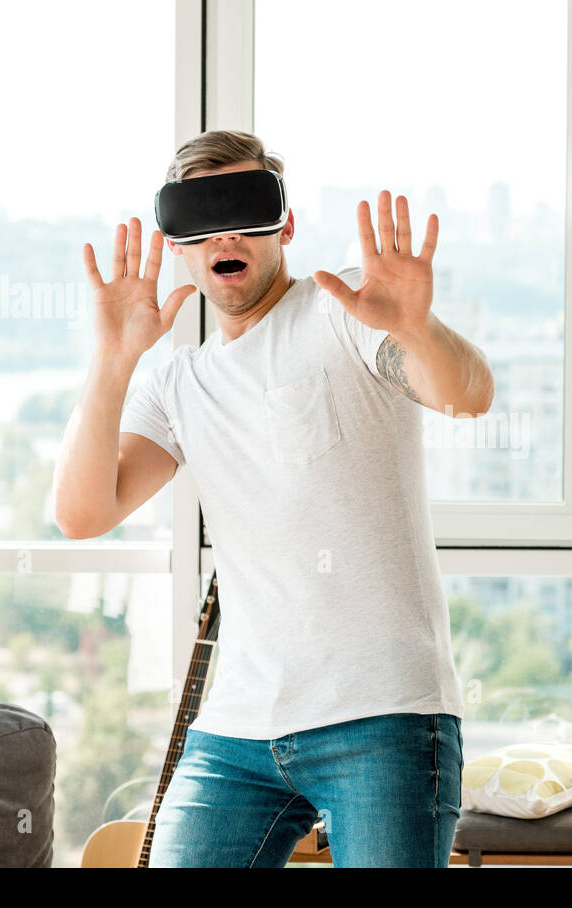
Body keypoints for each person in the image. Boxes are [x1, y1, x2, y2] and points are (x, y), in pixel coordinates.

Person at [52, 130, 494, 867]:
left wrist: (418, 327)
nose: (226, 233)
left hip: (382, 716)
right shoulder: (177, 384)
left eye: (246, 210)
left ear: (284, 226)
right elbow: (81, 512)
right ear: (181, 248)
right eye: (203, 218)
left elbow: (468, 395)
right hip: (239, 730)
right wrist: (113, 359)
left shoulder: (346, 313)